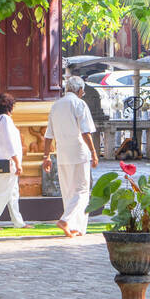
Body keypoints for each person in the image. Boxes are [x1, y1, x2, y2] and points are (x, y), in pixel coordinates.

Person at [44, 75, 99, 238]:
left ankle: (75, 227)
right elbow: (85, 132)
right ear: (80, 90)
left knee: (69, 192)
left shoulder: (56, 106)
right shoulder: (79, 103)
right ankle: (67, 219)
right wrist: (94, 152)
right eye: (83, 91)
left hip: (63, 154)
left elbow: (48, 135)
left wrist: (46, 156)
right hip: (79, 153)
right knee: (82, 191)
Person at [0, 92, 31, 230]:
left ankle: (18, 222)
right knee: (3, 193)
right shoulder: (4, 120)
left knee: (13, 193)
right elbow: (9, 143)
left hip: (4, 163)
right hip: (9, 163)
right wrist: (17, 162)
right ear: (10, 107)